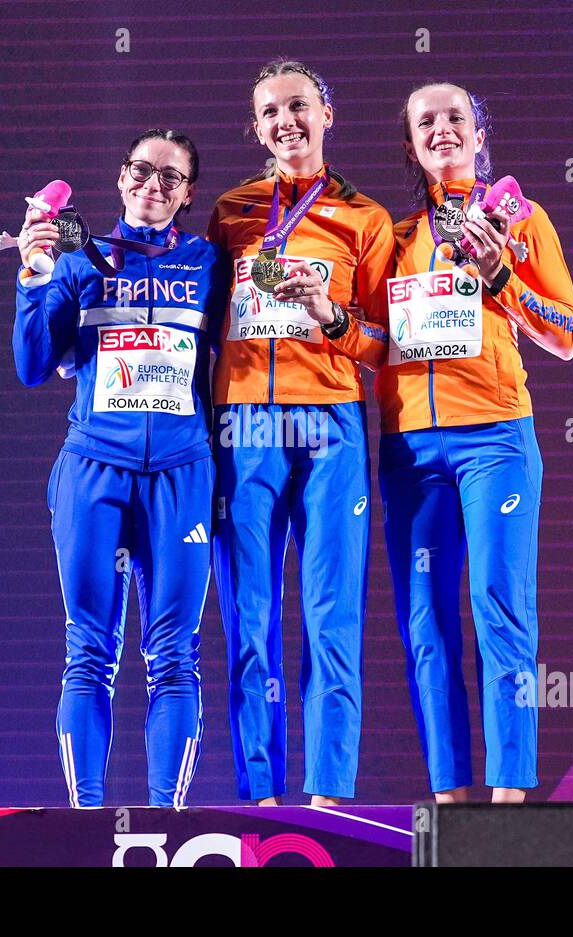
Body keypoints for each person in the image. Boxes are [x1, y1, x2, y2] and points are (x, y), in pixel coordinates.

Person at [377, 82, 573, 804]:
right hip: (411, 453)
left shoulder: (521, 221)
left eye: (454, 118)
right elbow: (372, 341)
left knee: (500, 610)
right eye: (425, 122)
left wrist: (501, 276)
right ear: (410, 145)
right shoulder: (394, 240)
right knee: (427, 626)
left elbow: (567, 335)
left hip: (495, 441)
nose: (441, 130)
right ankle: (451, 810)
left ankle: (509, 809)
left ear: (477, 134)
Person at [12, 128, 229, 808]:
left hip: (182, 473)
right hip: (93, 471)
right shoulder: (80, 254)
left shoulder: (210, 263)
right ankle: (86, 820)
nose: (153, 184)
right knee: (88, 656)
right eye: (141, 170)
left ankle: (170, 822)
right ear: (121, 178)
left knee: (174, 659)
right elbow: (31, 366)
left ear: (189, 192)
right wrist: (33, 273)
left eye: (171, 176)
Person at [207, 60, 394, 806]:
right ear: (256, 128)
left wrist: (333, 318)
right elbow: (200, 319)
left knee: (330, 617)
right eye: (270, 111)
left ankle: (327, 799)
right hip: (244, 425)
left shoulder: (366, 219)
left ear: (327, 114)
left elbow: (387, 345)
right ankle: (259, 800)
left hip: (332, 430)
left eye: (299, 106)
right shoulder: (230, 212)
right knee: (249, 620)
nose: (286, 121)